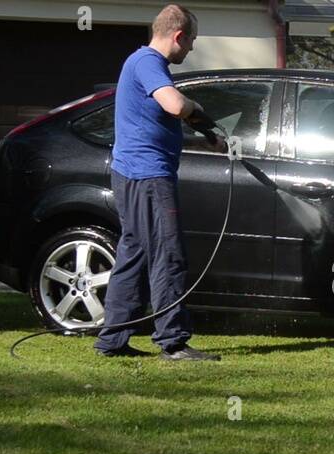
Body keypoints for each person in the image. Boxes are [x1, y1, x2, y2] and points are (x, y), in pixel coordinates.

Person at [94, 3, 221, 361]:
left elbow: (163, 115)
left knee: (133, 255)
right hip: (147, 175)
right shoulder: (148, 62)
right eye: (192, 40)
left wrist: (208, 132)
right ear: (178, 36)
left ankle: (112, 341)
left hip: (133, 174)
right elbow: (175, 105)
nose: (193, 47)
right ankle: (173, 342)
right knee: (168, 255)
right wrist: (193, 106)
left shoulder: (141, 64)